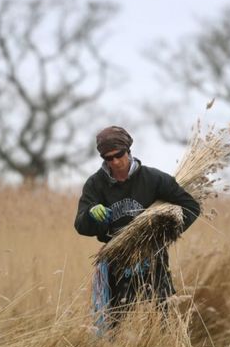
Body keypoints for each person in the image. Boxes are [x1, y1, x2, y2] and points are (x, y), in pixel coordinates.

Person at [74, 126, 200, 331]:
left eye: (118, 155)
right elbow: (80, 226)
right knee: (117, 322)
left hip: (154, 259)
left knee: (163, 317)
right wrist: (91, 215)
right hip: (117, 261)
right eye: (108, 158)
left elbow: (192, 207)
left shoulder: (155, 179)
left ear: (128, 151)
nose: (114, 162)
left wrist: (165, 233)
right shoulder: (95, 184)